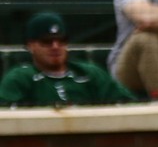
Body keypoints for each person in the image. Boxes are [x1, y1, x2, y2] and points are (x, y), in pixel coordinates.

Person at [0, 10, 136, 106]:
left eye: (61, 40)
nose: (55, 46)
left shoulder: (89, 73)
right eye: (47, 42)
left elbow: (127, 104)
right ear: (31, 46)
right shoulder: (20, 78)